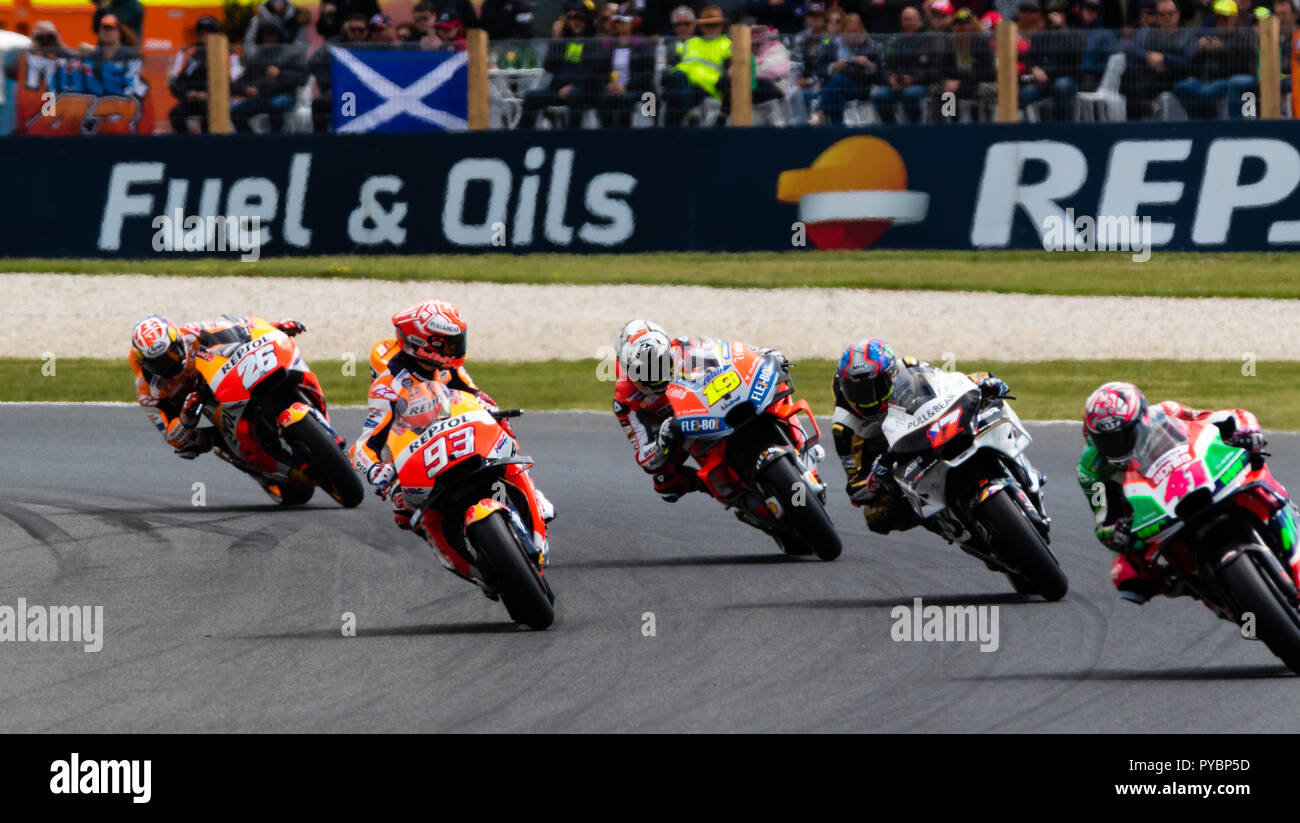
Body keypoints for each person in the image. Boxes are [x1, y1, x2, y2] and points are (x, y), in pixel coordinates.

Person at [1077, 381, 1298, 603]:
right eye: (1105, 441)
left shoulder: (1166, 413)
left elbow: (1221, 418)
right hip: (1147, 516)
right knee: (1125, 574)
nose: (1115, 447)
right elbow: (1102, 524)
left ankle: (1285, 517)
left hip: (1193, 480)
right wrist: (1118, 531)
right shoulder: (1090, 469)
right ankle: (1192, 586)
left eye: (1122, 436)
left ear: (1141, 420)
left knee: (1253, 464)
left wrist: (1245, 432)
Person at [351, 300, 555, 524]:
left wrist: (489, 407)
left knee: (500, 423)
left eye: (456, 342)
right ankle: (439, 540)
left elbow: (476, 395)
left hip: (458, 435)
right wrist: (375, 470)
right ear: (421, 342)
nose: (454, 348)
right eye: (446, 343)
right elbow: (362, 447)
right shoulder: (387, 386)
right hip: (419, 457)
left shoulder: (448, 367)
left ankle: (529, 490)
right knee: (401, 506)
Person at [831, 337, 1011, 534]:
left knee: (987, 406)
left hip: (929, 430)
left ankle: (1017, 466)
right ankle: (949, 527)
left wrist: (980, 381)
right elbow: (855, 487)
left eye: (873, 388)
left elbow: (949, 383)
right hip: (894, 462)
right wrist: (875, 478)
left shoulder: (909, 368)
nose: (866, 399)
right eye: (856, 391)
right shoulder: (844, 426)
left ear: (890, 376)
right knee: (877, 517)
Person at [129, 314, 309, 467]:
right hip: (205, 404)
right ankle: (254, 461)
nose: (170, 363)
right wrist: (186, 417)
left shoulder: (193, 333)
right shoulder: (147, 391)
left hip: (228, 376)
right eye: (158, 362)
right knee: (198, 442)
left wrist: (276, 327)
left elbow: (241, 328)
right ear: (144, 362)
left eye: (173, 353)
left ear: (178, 340)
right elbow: (172, 437)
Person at [518, 0, 599, 127]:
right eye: (571, 18)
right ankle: (524, 137)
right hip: (557, 88)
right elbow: (549, 67)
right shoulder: (564, 42)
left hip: (582, 90)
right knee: (530, 97)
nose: (576, 22)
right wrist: (556, 39)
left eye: (580, 18)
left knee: (576, 97)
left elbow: (592, 72)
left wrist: (573, 86)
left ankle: (570, 138)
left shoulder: (593, 43)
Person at [1174, 0, 1258, 118]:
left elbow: (1248, 57)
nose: (1220, 22)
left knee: (1233, 83)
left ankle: (1237, 127)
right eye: (1217, 18)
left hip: (1238, 77)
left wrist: (1222, 48)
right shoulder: (1210, 34)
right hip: (1211, 80)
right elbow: (1190, 61)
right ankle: (1200, 123)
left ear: (1235, 18)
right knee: (1183, 86)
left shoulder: (1246, 34)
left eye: (1224, 18)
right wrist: (1199, 49)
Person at [169, 16, 243, 134]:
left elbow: (234, 81)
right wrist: (188, 93)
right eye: (200, 30)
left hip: (218, 101)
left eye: (208, 30)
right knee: (175, 114)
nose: (203, 33)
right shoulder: (187, 52)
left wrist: (211, 94)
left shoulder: (228, 53)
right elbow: (175, 80)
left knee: (210, 116)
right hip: (191, 100)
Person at [230, 20, 307, 132]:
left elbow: (303, 77)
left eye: (272, 34)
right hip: (260, 98)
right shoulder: (257, 57)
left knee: (275, 106)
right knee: (236, 112)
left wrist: (280, 74)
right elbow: (240, 82)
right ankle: (252, 142)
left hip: (284, 96)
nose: (268, 38)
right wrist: (246, 89)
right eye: (264, 34)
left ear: (279, 36)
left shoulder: (291, 53)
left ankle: (275, 140)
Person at [1123, 0, 1196, 118]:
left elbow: (1188, 61)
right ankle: (1141, 116)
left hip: (1175, 77)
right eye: (1162, 14)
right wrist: (1148, 57)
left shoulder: (1187, 36)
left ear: (1178, 14)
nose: (1167, 17)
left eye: (1170, 13)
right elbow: (1130, 49)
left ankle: (1146, 111)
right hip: (1151, 77)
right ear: (1157, 16)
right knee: (1131, 72)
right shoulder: (1148, 33)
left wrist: (1164, 59)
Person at [662, 4, 731, 125]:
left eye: (714, 24)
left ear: (721, 26)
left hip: (706, 88)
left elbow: (730, 72)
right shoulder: (691, 42)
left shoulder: (727, 44)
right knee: (671, 91)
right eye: (707, 24)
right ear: (701, 26)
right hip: (681, 82)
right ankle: (669, 133)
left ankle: (686, 116)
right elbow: (675, 62)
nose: (711, 28)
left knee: (675, 98)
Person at [809, 12, 880, 124]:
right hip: (834, 87)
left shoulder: (870, 45)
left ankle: (820, 113)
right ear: (842, 31)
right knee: (836, 91)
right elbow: (820, 69)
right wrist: (833, 67)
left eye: (855, 32)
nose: (851, 35)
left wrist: (867, 64)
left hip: (860, 87)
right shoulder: (832, 44)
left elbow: (877, 73)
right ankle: (838, 129)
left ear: (861, 31)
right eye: (849, 31)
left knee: (837, 81)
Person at [869, 5, 935, 123]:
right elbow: (887, 67)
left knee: (911, 95)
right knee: (879, 96)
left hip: (919, 84)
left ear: (919, 21)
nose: (907, 23)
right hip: (896, 85)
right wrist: (890, 79)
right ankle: (891, 128)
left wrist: (912, 79)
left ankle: (913, 128)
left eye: (910, 19)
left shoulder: (929, 40)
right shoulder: (896, 41)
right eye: (905, 20)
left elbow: (934, 70)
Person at [593, 4, 656, 126]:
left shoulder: (643, 44)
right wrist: (608, 84)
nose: (621, 24)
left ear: (633, 22)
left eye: (625, 21)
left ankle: (625, 137)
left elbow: (648, 73)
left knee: (625, 101)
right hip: (612, 89)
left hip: (639, 90)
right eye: (618, 21)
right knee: (603, 100)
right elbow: (600, 70)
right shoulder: (607, 45)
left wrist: (626, 87)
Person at [309, 12, 369, 131]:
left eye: (360, 30)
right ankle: (321, 142)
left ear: (367, 31)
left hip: (366, 92)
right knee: (319, 104)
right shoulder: (335, 43)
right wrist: (329, 84)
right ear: (347, 29)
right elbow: (314, 62)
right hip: (339, 90)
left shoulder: (373, 47)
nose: (356, 33)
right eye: (353, 29)